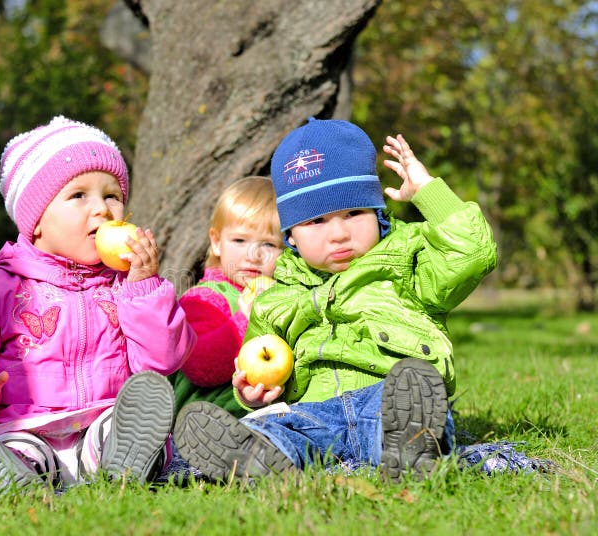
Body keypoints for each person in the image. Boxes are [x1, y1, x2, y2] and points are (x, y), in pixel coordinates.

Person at [173, 118, 498, 483]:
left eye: (355, 213)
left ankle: (412, 447)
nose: (340, 234)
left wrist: (428, 192)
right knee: (286, 427)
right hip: (314, 410)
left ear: (376, 212)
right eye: (318, 221)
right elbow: (258, 362)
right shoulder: (275, 299)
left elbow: (473, 253)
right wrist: (252, 394)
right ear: (291, 236)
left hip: (388, 399)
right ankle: (258, 454)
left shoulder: (408, 262)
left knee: (403, 408)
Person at [0, 116, 196, 494]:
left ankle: (124, 465)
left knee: (121, 422)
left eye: (112, 195)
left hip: (102, 426)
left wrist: (145, 287)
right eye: (79, 195)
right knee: (15, 449)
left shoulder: (127, 286)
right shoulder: (1, 287)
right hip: (25, 428)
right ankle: (5, 476)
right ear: (36, 222)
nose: (102, 209)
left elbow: (163, 360)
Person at [170, 177, 283, 417]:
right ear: (217, 242)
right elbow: (199, 366)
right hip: (205, 416)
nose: (253, 255)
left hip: (259, 410)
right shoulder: (205, 298)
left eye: (269, 245)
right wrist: (245, 320)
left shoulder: (283, 297)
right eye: (240, 240)